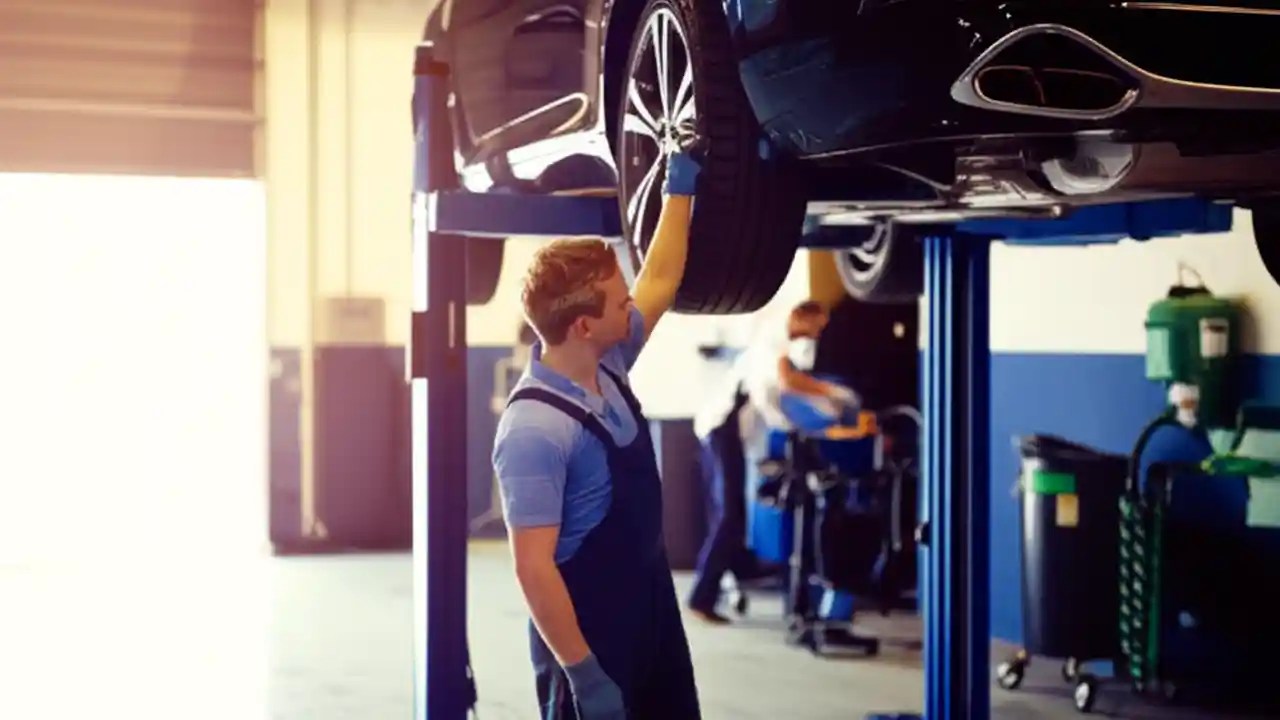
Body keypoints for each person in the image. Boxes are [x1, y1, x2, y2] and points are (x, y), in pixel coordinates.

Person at [491, 149, 702, 720]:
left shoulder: (607, 362)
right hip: (590, 643)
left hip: (652, 618)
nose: (631, 303)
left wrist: (679, 191)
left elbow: (659, 277)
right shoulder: (535, 429)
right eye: (619, 299)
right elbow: (533, 568)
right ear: (584, 325)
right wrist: (585, 675)